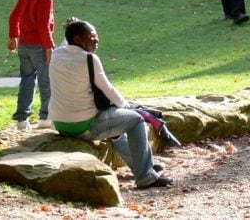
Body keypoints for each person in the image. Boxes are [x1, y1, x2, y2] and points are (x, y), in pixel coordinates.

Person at [49, 19, 172, 189]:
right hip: (83, 126)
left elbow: (66, 44)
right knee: (135, 119)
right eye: (92, 37)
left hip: (61, 125)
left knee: (116, 125)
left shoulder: (56, 54)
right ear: (78, 39)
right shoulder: (89, 59)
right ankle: (146, 177)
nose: (97, 40)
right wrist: (128, 106)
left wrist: (70, 29)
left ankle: (141, 165)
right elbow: (108, 90)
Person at [8, 0, 60, 130]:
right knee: (46, 81)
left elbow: (14, 16)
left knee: (27, 80)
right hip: (39, 46)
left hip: (24, 45)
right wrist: (49, 47)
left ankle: (22, 119)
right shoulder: (46, 0)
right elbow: (43, 27)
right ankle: (46, 117)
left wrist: (13, 36)